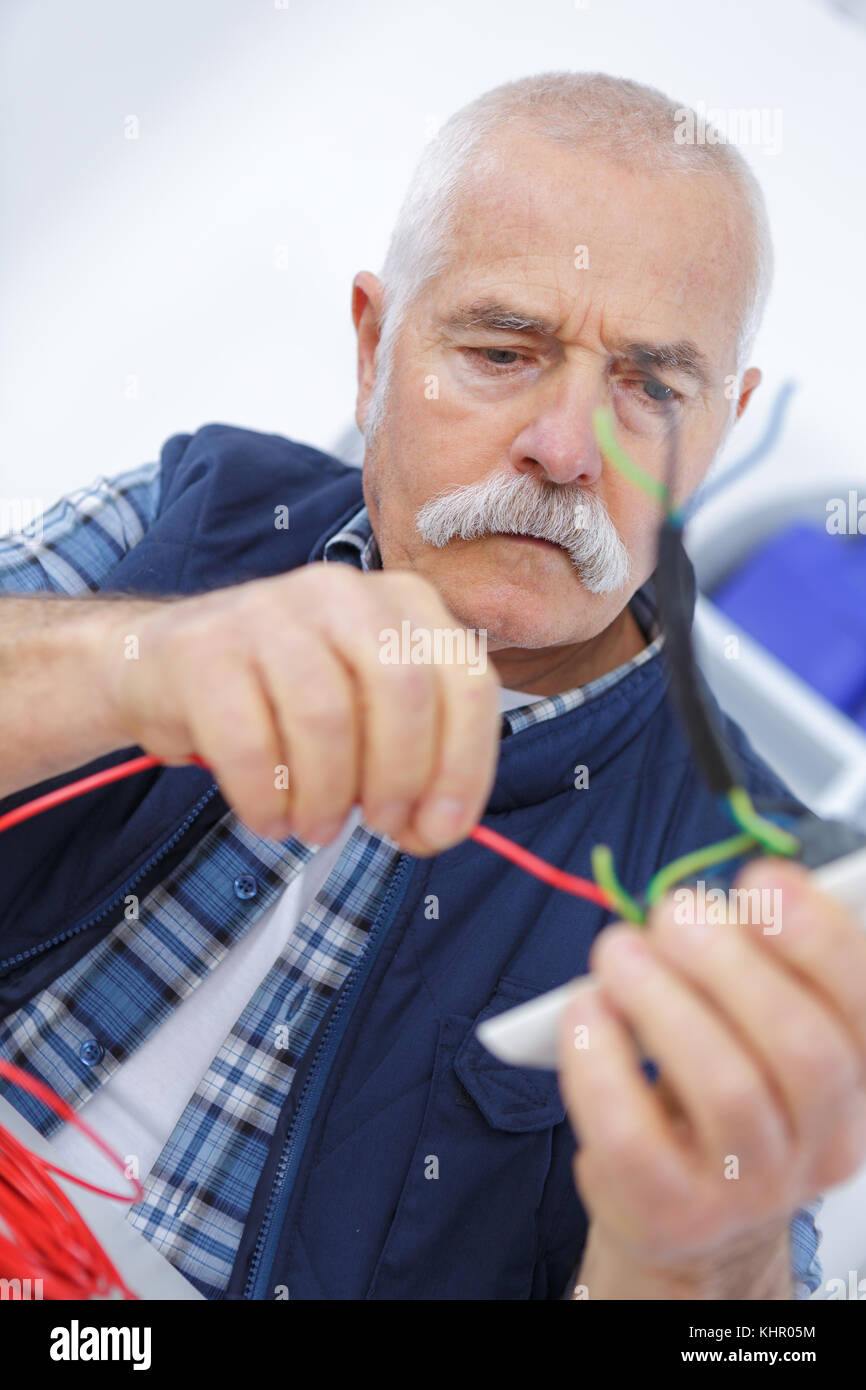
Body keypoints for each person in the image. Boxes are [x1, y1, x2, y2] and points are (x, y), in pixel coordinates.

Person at [1, 71, 862, 1300]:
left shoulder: (743, 872)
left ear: (716, 431)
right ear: (372, 345)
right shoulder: (197, 509)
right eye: (503, 350)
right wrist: (130, 664)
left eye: (649, 390)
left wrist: (698, 1255)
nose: (566, 451)